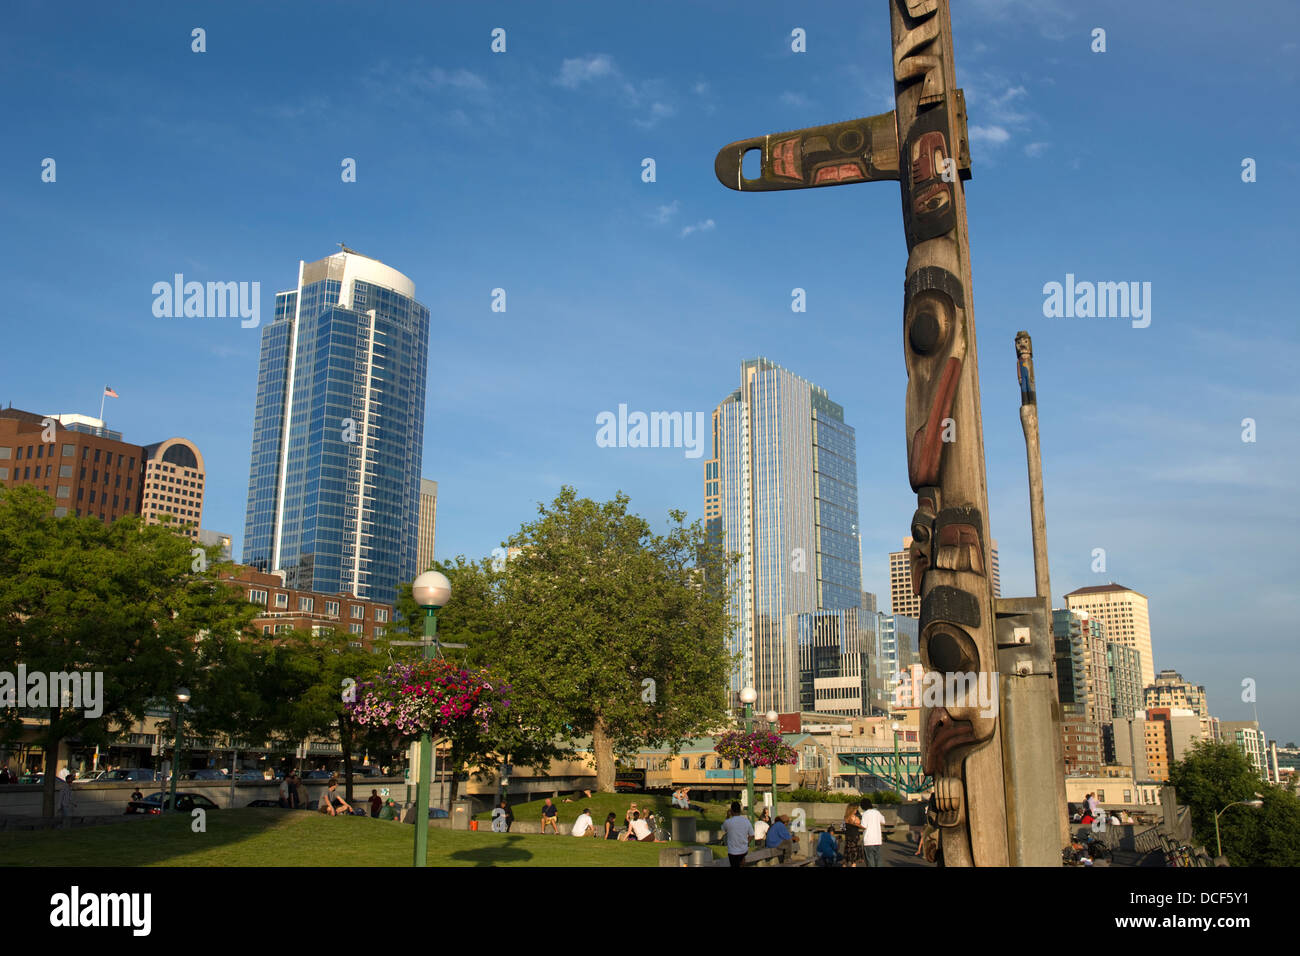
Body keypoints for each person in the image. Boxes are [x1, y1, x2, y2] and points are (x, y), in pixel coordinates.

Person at [721, 801, 754, 867]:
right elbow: (752, 835)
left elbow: (723, 829)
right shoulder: (746, 821)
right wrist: (747, 843)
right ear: (740, 810)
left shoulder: (728, 822)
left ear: (731, 811)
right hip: (744, 851)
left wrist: (727, 816)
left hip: (732, 852)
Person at [860, 798, 886, 868]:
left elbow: (863, 826)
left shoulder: (865, 814)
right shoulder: (877, 812)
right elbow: (883, 821)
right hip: (877, 840)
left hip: (868, 840)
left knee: (870, 860)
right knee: (878, 859)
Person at [842, 800, 864, 867]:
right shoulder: (855, 818)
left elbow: (842, 828)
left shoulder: (845, 817)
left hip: (848, 837)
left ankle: (845, 864)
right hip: (854, 836)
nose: (856, 811)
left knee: (847, 853)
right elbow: (860, 825)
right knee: (854, 855)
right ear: (853, 809)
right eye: (856, 809)